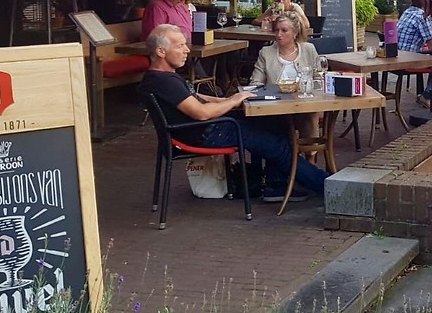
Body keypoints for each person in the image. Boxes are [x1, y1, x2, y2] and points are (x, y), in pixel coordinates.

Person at [138, 24, 327, 202]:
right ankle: (326, 184)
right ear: (161, 51)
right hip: (206, 132)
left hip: (207, 128)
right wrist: (233, 100)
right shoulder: (164, 81)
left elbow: (195, 97)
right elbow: (201, 112)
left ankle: (275, 186)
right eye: (180, 46)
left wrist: (233, 99)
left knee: (273, 121)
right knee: (278, 147)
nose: (187, 50)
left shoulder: (158, 78)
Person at [397, 0, 432, 109]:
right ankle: (427, 96)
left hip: (398, 54)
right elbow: (431, 43)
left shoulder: (407, 11)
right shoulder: (422, 16)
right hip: (409, 57)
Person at [249, 12, 319, 87]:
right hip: (276, 97)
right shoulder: (266, 52)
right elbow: (256, 82)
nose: (279, 34)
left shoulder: (308, 50)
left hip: (305, 96)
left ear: (295, 33)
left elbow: (319, 79)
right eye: (277, 30)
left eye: (284, 30)